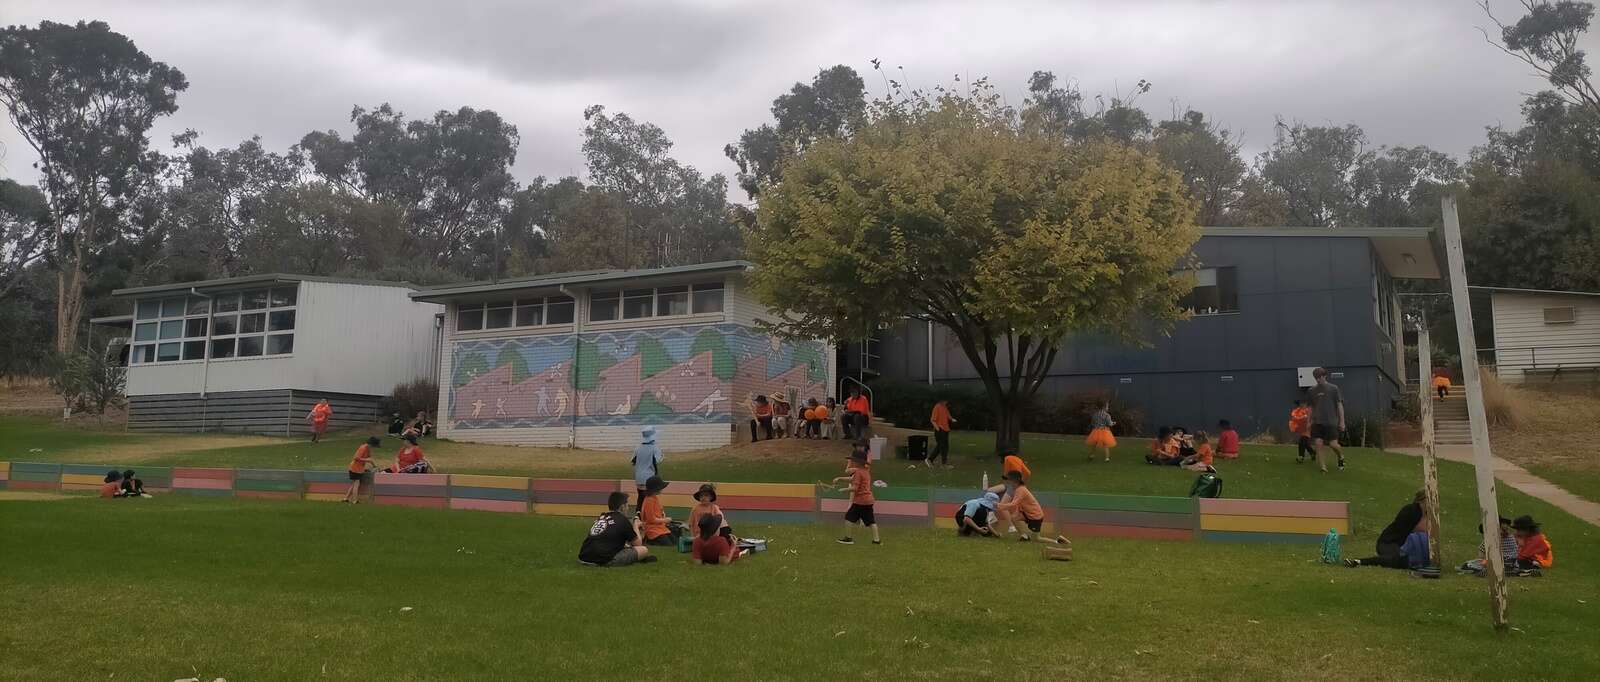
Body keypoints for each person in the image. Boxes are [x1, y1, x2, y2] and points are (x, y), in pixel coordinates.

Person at [1345, 490, 1427, 569]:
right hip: (1388, 542)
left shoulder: (1431, 515)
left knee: (1406, 560)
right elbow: (1403, 532)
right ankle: (1359, 561)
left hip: (1406, 547)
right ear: (1422, 500)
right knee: (1397, 559)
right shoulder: (1410, 510)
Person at [578, 492, 655, 567]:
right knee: (644, 550)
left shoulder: (601, 517)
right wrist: (636, 525)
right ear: (622, 507)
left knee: (626, 546)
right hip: (604, 559)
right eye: (627, 506)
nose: (628, 508)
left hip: (584, 557)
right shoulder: (622, 519)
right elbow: (638, 543)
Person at [996, 471, 1061, 543]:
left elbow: (1013, 504)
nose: (1008, 482)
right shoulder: (1018, 489)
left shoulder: (1021, 490)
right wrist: (1017, 512)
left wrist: (999, 505)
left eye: (1009, 480)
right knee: (1014, 518)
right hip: (1027, 513)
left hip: (1035, 517)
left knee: (1037, 538)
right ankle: (1024, 536)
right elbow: (1018, 504)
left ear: (1014, 481)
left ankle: (1057, 541)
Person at [832, 450, 880, 545]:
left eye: (854, 461)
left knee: (849, 517)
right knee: (871, 521)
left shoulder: (858, 472)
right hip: (869, 500)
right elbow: (852, 479)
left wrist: (844, 490)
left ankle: (848, 538)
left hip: (860, 501)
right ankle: (877, 540)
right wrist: (840, 478)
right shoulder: (865, 471)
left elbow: (855, 488)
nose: (852, 462)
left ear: (858, 462)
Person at [1307, 367, 1346, 472]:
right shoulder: (1311, 391)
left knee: (1333, 445)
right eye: (1316, 378)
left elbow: (1339, 405)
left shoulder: (1334, 388)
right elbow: (1310, 407)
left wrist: (1342, 421)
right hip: (1317, 422)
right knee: (1318, 444)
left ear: (1324, 376)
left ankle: (1341, 457)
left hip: (1331, 421)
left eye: (1320, 377)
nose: (1318, 380)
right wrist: (1308, 421)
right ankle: (1323, 467)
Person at [638, 476, 678, 546]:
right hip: (653, 530)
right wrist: (665, 520)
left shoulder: (654, 498)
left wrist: (663, 518)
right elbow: (651, 520)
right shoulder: (649, 500)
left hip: (661, 528)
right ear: (655, 489)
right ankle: (650, 541)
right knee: (669, 545)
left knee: (675, 543)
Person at [632, 426, 662, 511]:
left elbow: (633, 461)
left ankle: (638, 518)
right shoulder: (654, 448)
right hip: (649, 478)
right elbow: (658, 460)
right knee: (649, 500)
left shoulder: (638, 448)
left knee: (640, 499)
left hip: (639, 478)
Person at [346, 436, 378, 503]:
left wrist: (374, 465)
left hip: (359, 468)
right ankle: (355, 500)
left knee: (354, 484)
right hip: (355, 468)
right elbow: (356, 458)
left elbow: (370, 458)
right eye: (374, 446)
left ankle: (346, 498)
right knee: (356, 484)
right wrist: (367, 460)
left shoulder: (368, 449)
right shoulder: (363, 448)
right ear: (371, 444)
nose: (374, 447)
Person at [928, 399, 955, 468]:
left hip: (946, 429)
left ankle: (930, 460)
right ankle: (942, 464)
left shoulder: (944, 407)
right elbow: (932, 420)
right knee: (942, 447)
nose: (947, 402)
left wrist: (952, 419)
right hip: (940, 430)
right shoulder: (937, 407)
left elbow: (948, 415)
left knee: (942, 447)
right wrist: (938, 429)